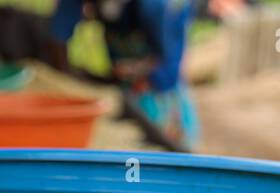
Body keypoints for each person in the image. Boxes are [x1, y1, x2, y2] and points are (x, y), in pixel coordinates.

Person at [46, 0, 200, 149]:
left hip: (160, 68)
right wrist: (75, 78)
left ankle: (177, 148)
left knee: (162, 124)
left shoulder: (158, 7)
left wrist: (133, 71)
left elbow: (167, 63)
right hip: (126, 58)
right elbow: (58, 39)